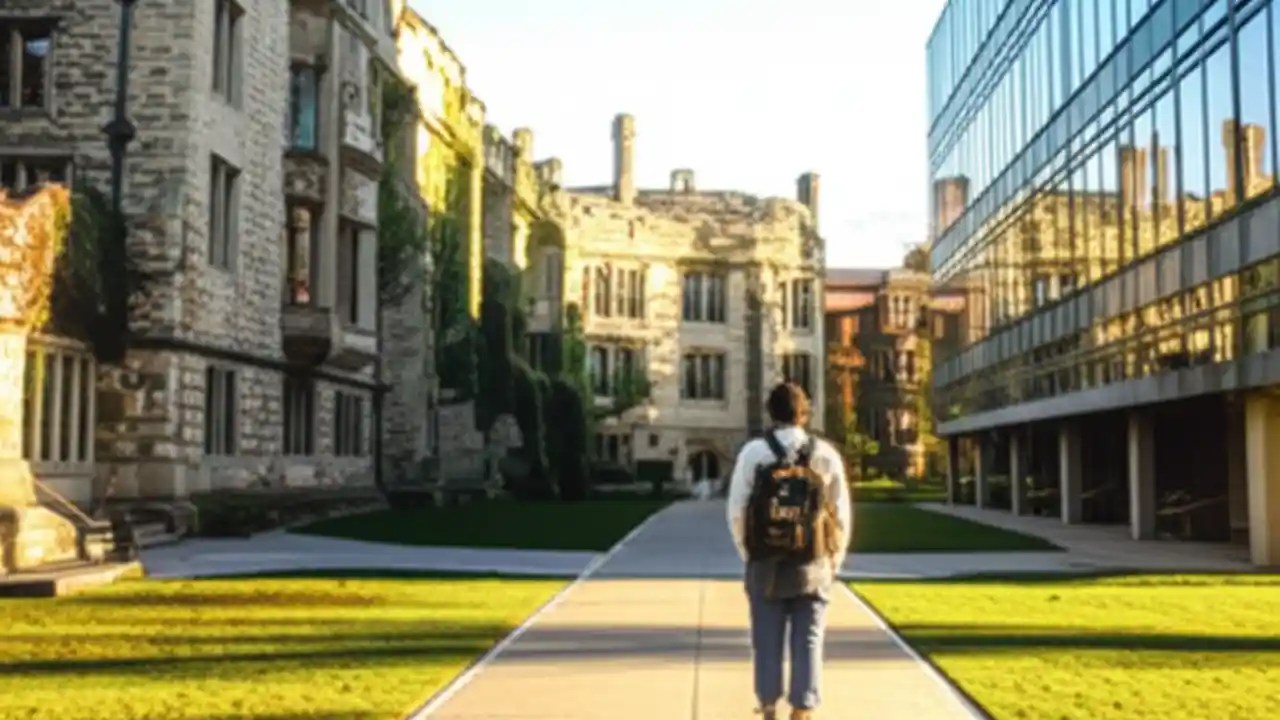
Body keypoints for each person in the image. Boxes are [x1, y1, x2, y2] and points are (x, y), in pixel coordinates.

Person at [725, 382, 852, 720]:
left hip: (765, 561)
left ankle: (768, 705)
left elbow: (737, 511)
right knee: (809, 637)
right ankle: (803, 707)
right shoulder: (824, 453)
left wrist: (748, 552)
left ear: (771, 412)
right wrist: (834, 559)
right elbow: (841, 512)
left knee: (766, 637)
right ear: (805, 413)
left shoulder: (754, 453)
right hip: (812, 560)